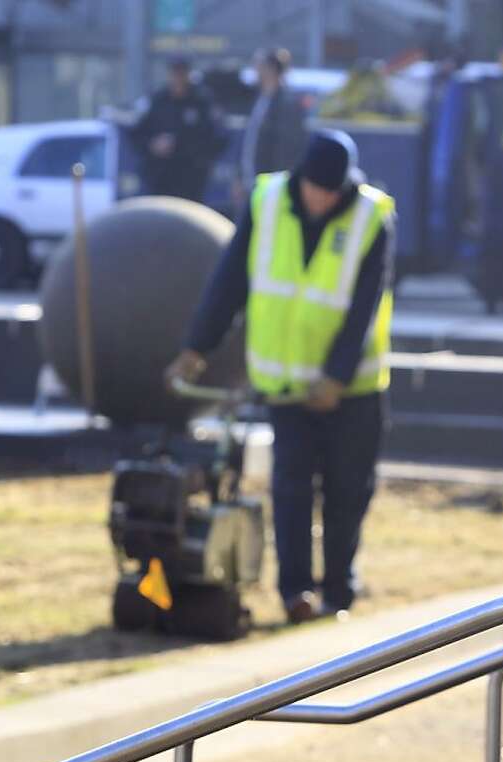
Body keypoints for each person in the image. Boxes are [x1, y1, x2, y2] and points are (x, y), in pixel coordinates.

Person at [165, 130, 396, 624]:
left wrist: (335, 377)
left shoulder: (370, 216)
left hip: (352, 390)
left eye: (332, 191)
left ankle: (339, 589)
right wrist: (196, 347)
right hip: (287, 387)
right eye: (316, 188)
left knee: (347, 491)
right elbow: (228, 280)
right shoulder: (266, 202)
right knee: (290, 490)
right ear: (301, 179)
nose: (323, 199)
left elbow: (363, 306)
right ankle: (296, 593)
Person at [128, 57, 227, 201]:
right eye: (175, 73)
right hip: (160, 179)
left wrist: (199, 156)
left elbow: (219, 137)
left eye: (182, 73)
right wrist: (153, 144)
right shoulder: (157, 101)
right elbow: (136, 134)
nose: (178, 78)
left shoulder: (202, 102)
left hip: (191, 180)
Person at [238, 48, 306, 203]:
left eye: (260, 65)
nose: (256, 70)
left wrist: (276, 183)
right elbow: (249, 141)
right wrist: (240, 176)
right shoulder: (258, 98)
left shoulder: (287, 104)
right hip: (251, 182)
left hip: (271, 187)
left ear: (271, 69)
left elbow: (287, 149)